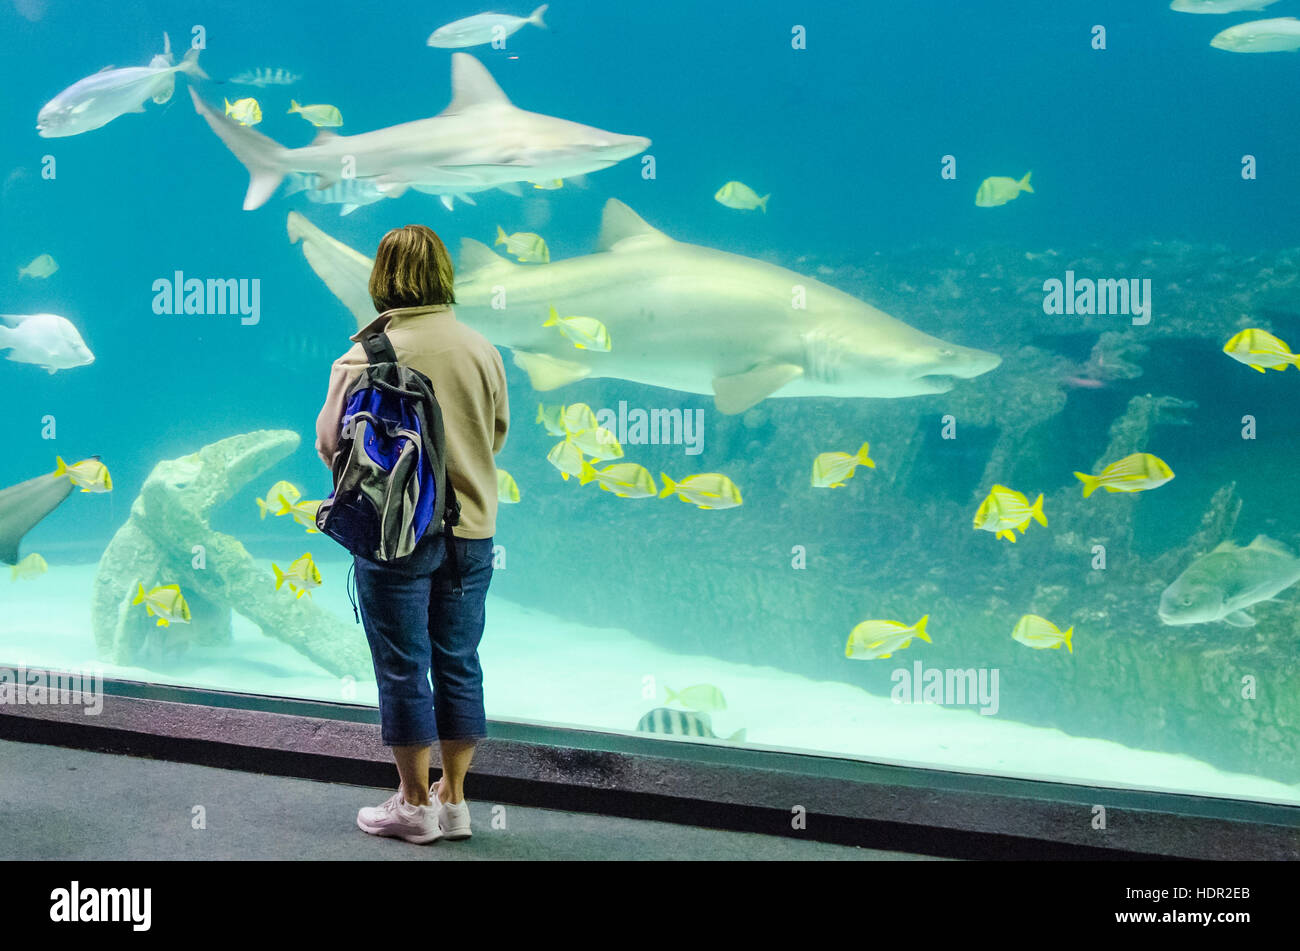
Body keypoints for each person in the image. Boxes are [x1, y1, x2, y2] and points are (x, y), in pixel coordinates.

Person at [315, 224, 509, 844]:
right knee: (459, 662)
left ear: (382, 279)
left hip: (392, 536)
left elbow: (330, 449)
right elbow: (496, 433)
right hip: (472, 531)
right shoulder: (482, 349)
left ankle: (413, 804)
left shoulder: (361, 357)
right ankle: (455, 801)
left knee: (403, 667)